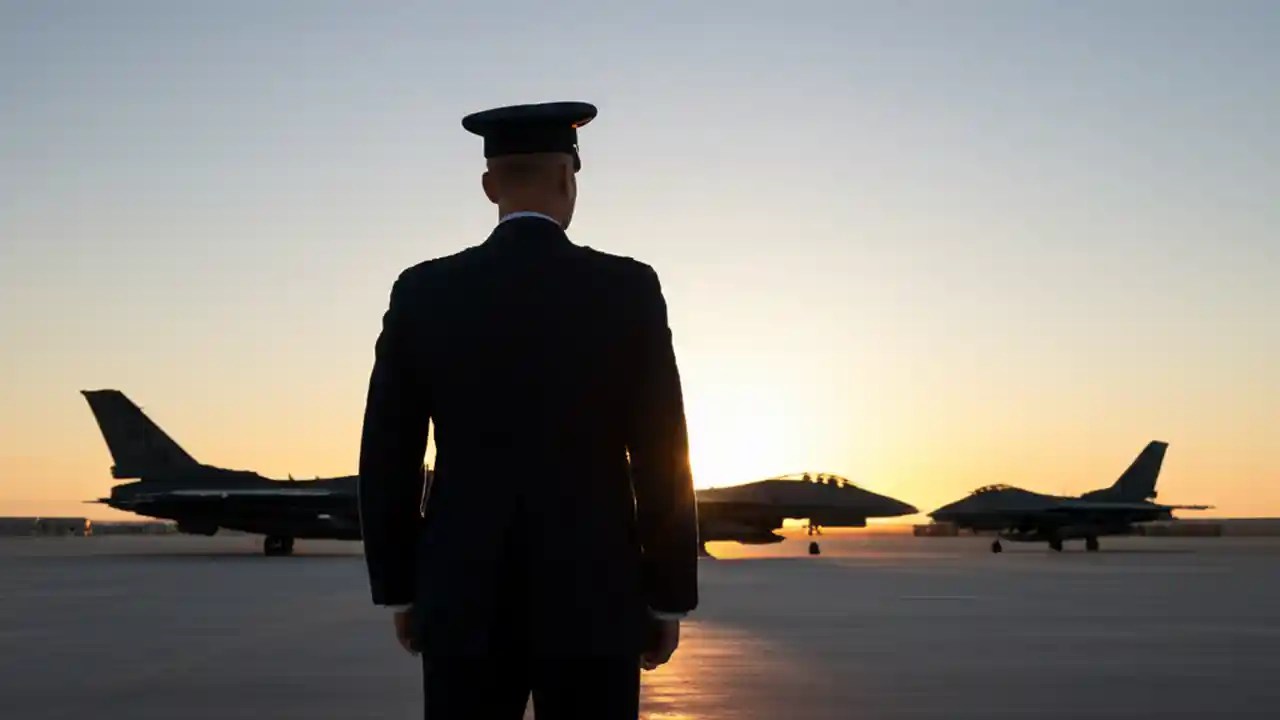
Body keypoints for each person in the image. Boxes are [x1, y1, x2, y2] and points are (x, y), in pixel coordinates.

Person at [358, 101, 700, 719]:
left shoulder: (423, 290)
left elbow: (388, 452)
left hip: (464, 594)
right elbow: (662, 453)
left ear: (489, 185)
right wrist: (666, 597)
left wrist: (401, 591)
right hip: (595, 595)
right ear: (570, 177)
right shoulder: (627, 288)